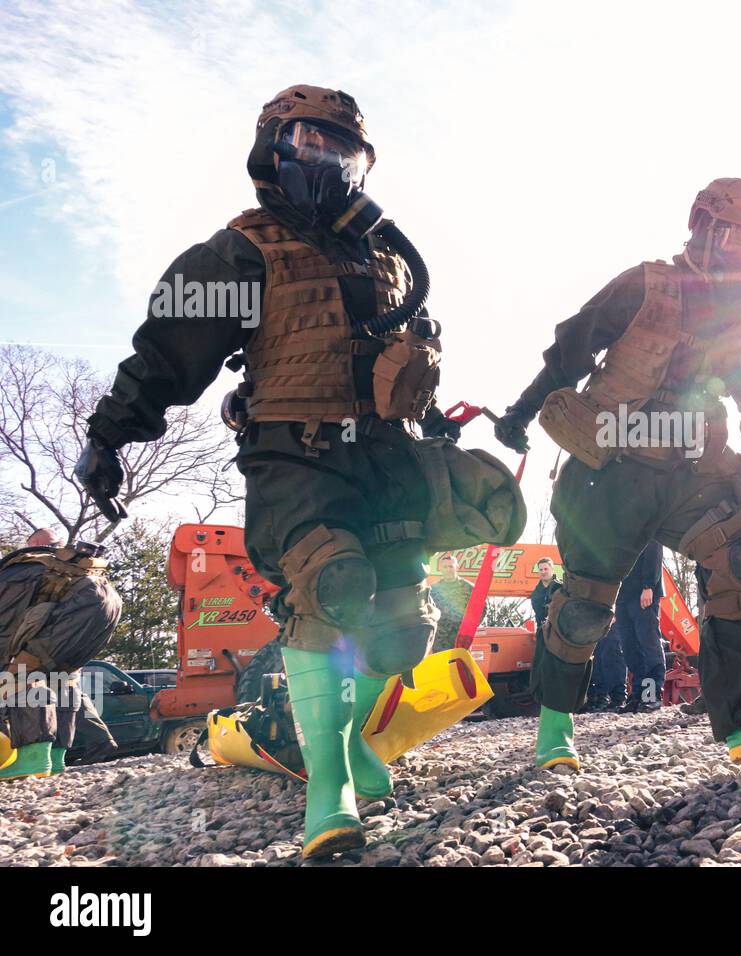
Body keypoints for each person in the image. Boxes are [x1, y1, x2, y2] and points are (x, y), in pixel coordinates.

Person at [74, 85, 521, 859]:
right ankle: (328, 788)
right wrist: (110, 435)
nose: (328, 163)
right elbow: (168, 347)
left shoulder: (385, 256)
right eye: (311, 144)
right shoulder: (242, 250)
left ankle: (351, 747)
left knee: (404, 630)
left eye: (344, 151)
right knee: (332, 588)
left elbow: (410, 351)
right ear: (274, 150)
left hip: (384, 453)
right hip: (297, 455)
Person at [495, 178, 741, 768]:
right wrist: (522, 412)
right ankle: (555, 729)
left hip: (692, 472)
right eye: (733, 239)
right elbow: (571, 348)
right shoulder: (646, 285)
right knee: (583, 606)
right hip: (611, 469)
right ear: (701, 225)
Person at [1, 538, 121, 780]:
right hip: (107, 599)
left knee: (21, 672)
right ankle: (55, 758)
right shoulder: (36, 565)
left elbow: (6, 630)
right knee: (62, 678)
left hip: (77, 602)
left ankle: (33, 759)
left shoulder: (15, 574)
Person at [613, 541, 665, 712]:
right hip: (622, 596)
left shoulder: (645, 520)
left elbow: (654, 552)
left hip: (643, 592)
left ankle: (651, 696)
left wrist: (649, 585)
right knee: (629, 647)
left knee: (648, 644)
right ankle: (637, 695)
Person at [429, 554, 474, 652]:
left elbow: (481, 608)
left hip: (461, 639)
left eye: (451, 566)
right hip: (440, 640)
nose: (448, 569)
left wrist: (470, 627)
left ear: (457, 567)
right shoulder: (433, 590)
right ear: (440, 569)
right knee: (440, 666)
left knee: (461, 666)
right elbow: (428, 611)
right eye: (445, 567)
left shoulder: (469, 588)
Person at [529, 556, 561, 630]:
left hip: (562, 631)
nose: (543, 572)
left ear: (552, 570)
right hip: (542, 631)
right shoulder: (536, 594)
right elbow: (539, 613)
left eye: (546, 569)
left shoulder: (562, 588)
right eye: (541, 570)